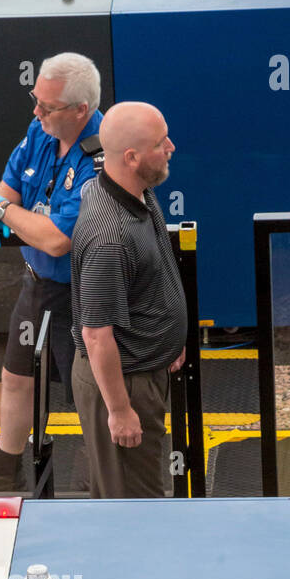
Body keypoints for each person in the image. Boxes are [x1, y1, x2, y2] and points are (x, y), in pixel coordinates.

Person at [0, 53, 103, 492]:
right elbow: (7, 187)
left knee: (90, 393)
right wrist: (0, 206)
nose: (36, 112)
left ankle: (98, 474)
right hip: (38, 283)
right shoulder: (41, 131)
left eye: (47, 106)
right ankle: (5, 469)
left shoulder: (97, 155)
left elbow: (56, 239)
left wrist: (2, 211)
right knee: (17, 375)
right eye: (35, 100)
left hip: (83, 294)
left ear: (80, 110)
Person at [69, 102, 188, 499]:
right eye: (160, 143)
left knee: (134, 490)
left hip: (141, 368)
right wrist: (119, 411)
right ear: (131, 157)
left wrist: (165, 340)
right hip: (124, 383)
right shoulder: (110, 237)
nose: (171, 146)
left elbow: (148, 281)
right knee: (136, 507)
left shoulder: (136, 191)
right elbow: (97, 335)